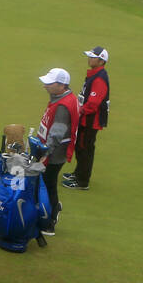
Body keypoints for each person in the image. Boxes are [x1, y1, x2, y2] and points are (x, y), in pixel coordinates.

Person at [34, 68, 80, 236]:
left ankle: (50, 221)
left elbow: (57, 133)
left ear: (61, 85)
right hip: (53, 150)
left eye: (49, 83)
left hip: (54, 153)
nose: (45, 86)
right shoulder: (63, 98)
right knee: (47, 184)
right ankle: (51, 209)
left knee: (48, 185)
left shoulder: (63, 106)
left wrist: (45, 154)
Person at [64, 47, 110, 190]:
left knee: (85, 149)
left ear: (101, 61)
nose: (89, 59)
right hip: (86, 118)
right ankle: (78, 173)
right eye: (89, 56)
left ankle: (82, 181)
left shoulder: (100, 78)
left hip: (90, 120)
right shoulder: (94, 74)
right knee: (80, 146)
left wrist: (79, 111)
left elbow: (93, 104)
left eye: (93, 57)